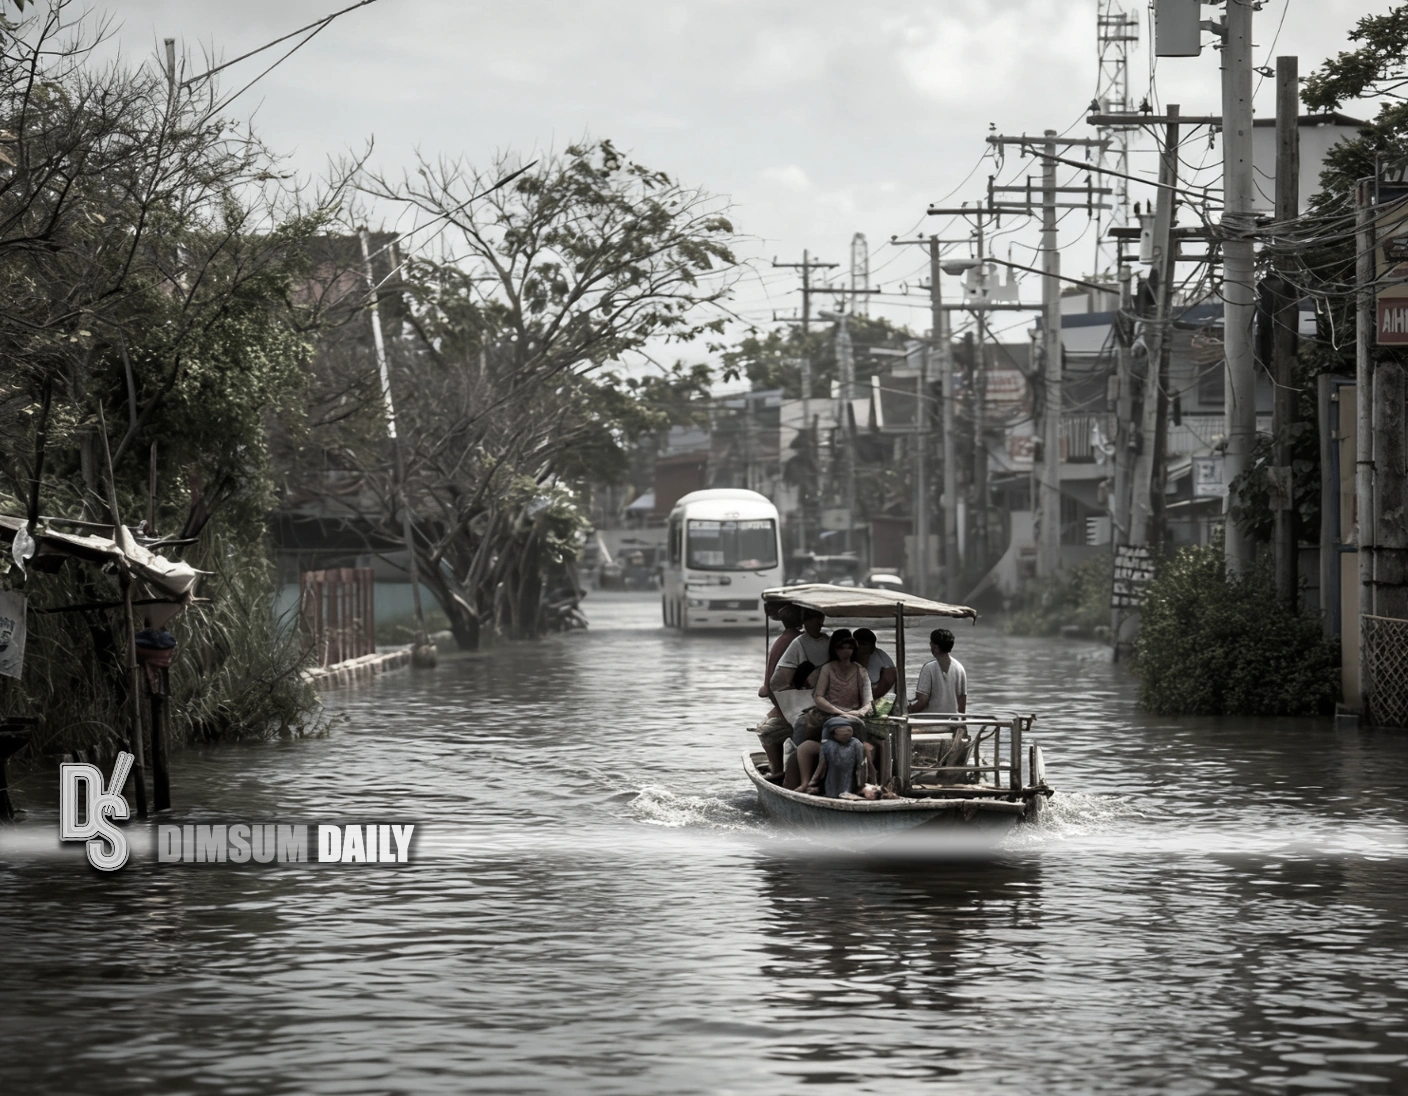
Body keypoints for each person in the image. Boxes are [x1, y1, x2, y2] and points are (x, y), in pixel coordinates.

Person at [794, 630, 872, 789]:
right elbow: (819, 698)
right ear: (834, 650)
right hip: (830, 716)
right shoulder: (828, 668)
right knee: (803, 744)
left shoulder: (861, 671)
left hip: (854, 718)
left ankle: (867, 784)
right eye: (841, 648)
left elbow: (868, 701)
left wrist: (859, 713)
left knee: (870, 746)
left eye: (849, 648)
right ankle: (805, 783)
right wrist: (839, 712)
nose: (845, 652)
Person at [753, 603, 803, 783]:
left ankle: (777, 768)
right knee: (767, 729)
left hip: (797, 701)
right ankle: (777, 769)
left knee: (766, 731)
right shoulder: (794, 640)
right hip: (790, 699)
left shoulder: (791, 640)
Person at [803, 722, 877, 799]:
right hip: (831, 782)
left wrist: (861, 785)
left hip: (850, 782)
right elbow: (821, 767)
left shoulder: (856, 744)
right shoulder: (828, 745)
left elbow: (861, 767)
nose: (846, 732)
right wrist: (812, 783)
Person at [769, 608, 830, 694]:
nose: (817, 627)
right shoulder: (797, 641)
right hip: (803, 689)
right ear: (804, 623)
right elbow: (780, 680)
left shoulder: (827, 641)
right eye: (813, 623)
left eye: (819, 624)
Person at [910, 628, 967, 714]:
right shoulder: (960, 668)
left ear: (936, 647)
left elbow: (922, 702)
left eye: (931, 643)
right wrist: (962, 724)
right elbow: (962, 700)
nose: (930, 645)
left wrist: (907, 711)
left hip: (930, 722)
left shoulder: (929, 668)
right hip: (951, 722)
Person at [853, 627, 897, 701]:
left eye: (862, 644)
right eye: (856, 644)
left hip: (876, 696)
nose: (859, 647)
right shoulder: (846, 656)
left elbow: (890, 677)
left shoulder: (882, 658)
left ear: (873, 646)